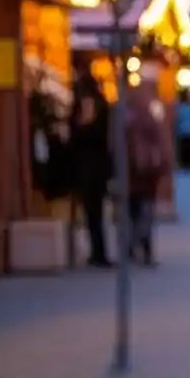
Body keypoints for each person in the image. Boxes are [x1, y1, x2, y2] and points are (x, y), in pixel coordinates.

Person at [125, 86, 172, 266]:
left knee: (133, 210)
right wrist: (165, 164)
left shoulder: (125, 116)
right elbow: (162, 141)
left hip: (131, 171)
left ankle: (132, 245)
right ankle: (144, 246)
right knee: (145, 208)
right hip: (148, 170)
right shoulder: (152, 115)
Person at [71, 71, 113, 268]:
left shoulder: (89, 105)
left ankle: (98, 252)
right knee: (95, 211)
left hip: (90, 167)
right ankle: (98, 251)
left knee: (93, 210)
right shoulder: (102, 104)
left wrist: (80, 124)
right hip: (99, 166)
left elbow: (83, 133)